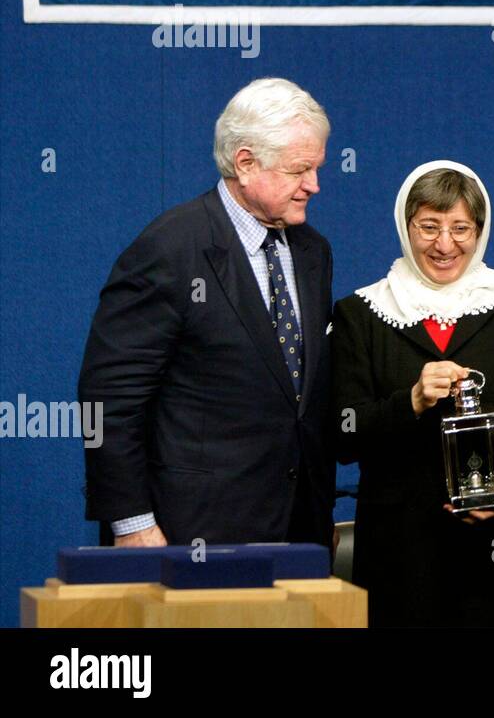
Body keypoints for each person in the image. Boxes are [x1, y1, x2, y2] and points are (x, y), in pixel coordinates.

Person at [79, 77, 335, 547]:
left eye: (316, 169)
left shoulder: (312, 251)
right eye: (300, 170)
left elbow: (301, 398)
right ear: (245, 163)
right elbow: (108, 399)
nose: (313, 186)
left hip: (300, 531)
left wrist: (318, 512)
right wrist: (131, 522)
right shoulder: (171, 248)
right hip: (193, 532)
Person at [331, 161, 494, 626]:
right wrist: (410, 402)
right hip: (400, 553)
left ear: (479, 230)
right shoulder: (360, 313)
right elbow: (344, 435)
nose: (445, 245)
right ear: (406, 227)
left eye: (460, 228)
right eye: (429, 226)